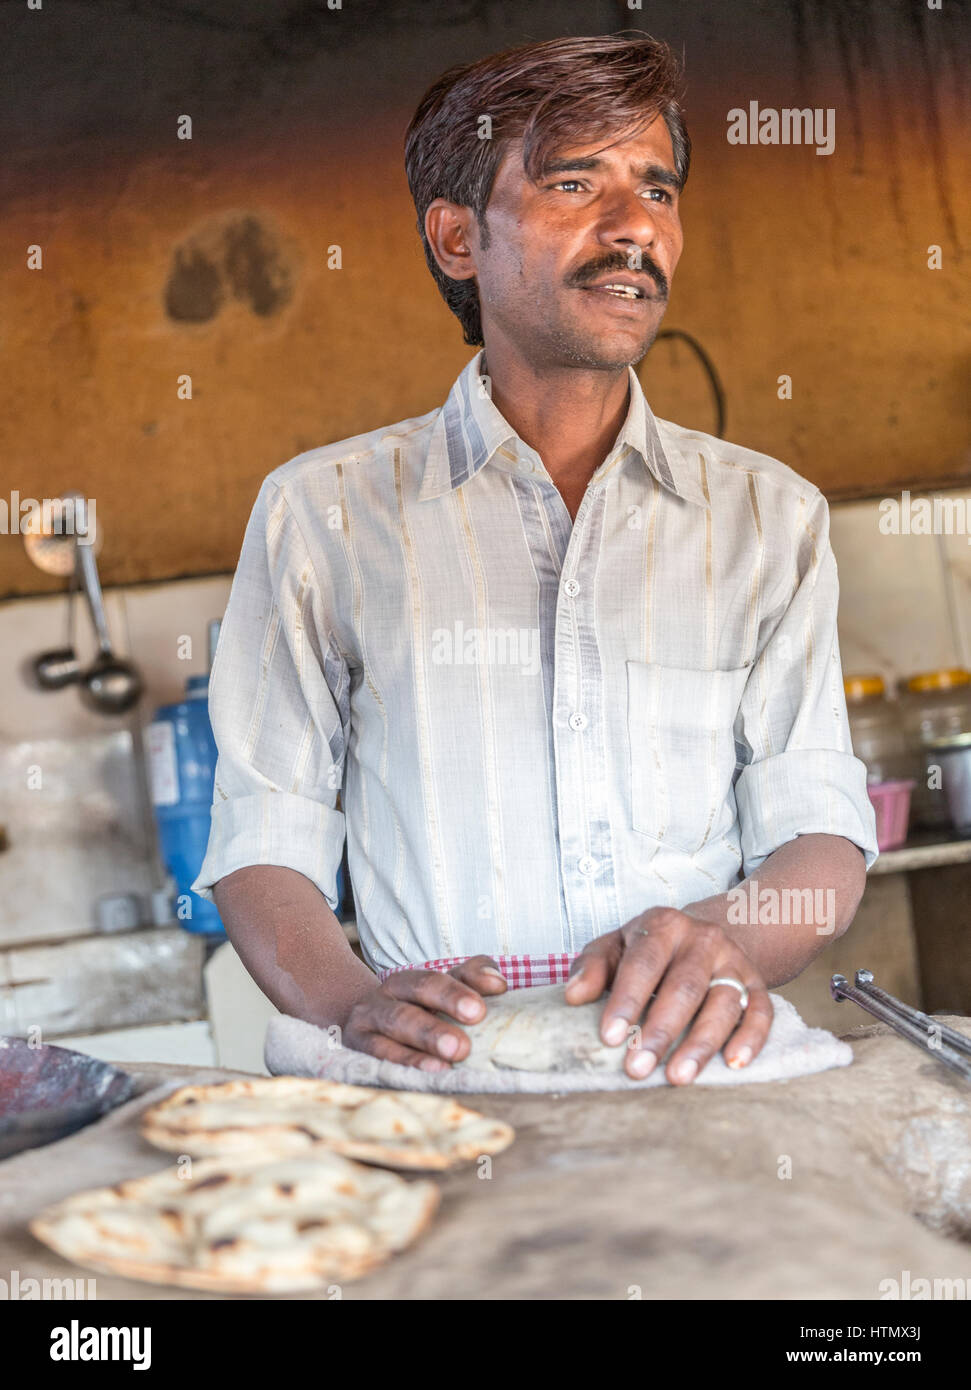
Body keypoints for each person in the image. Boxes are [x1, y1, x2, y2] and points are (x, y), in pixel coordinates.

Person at [192, 32, 878, 1084]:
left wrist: (726, 943)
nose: (633, 226)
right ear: (458, 238)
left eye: (656, 187)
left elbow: (818, 836)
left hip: (687, 1068)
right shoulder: (320, 515)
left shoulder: (765, 518)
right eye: (571, 182)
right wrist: (353, 1005)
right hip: (435, 1082)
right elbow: (262, 844)